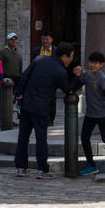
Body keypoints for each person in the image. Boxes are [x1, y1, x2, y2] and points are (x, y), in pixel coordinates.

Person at [14, 45, 82, 179]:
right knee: (41, 139)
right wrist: (76, 76)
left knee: (23, 137)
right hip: (41, 107)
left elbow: (24, 76)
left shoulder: (39, 59)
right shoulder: (60, 71)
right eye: (71, 57)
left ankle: (21, 167)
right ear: (65, 56)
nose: (71, 60)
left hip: (27, 104)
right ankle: (42, 170)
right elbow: (68, 89)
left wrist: (19, 94)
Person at [0, 33, 23, 127]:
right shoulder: (3, 52)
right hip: (5, 79)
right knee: (2, 100)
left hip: (16, 79)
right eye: (12, 39)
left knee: (11, 101)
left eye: (16, 39)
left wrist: (20, 81)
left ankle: (9, 119)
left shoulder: (18, 55)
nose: (14, 41)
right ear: (8, 41)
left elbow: (20, 68)